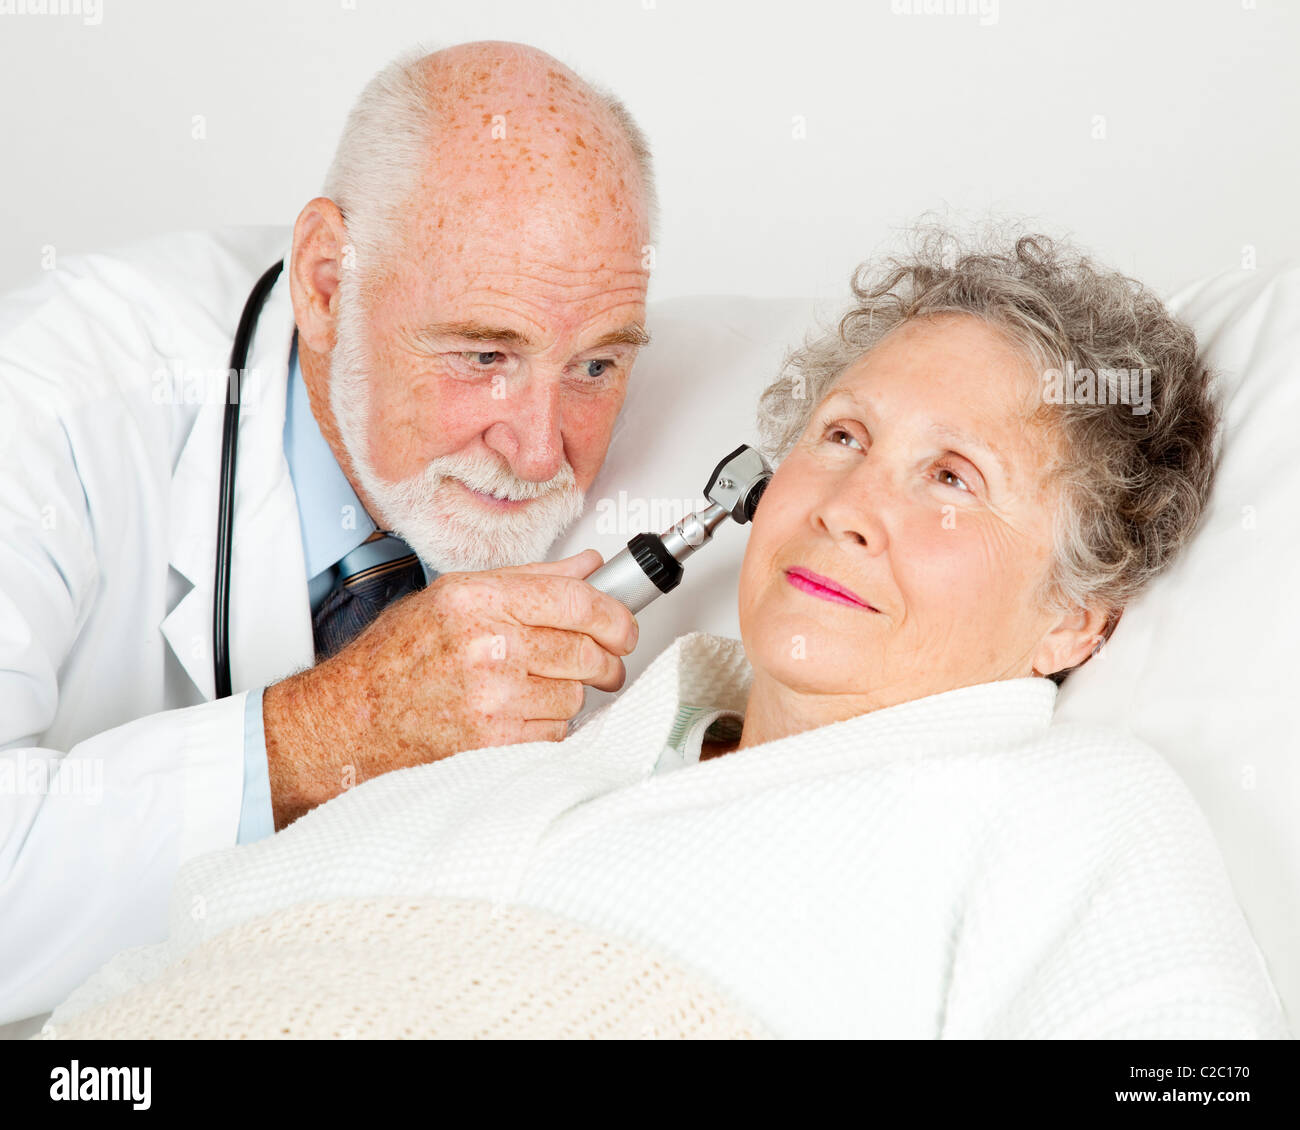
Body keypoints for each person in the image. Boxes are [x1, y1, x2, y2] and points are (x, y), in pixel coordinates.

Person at [41, 228, 1287, 1039]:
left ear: (1075, 616)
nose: (849, 507)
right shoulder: (501, 773)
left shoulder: (1068, 807)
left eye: (951, 476)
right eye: (841, 437)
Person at [0, 41, 653, 1029]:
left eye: (598, 366)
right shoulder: (51, 406)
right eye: (484, 353)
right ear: (323, 284)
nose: (536, 450)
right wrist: (332, 731)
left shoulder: (669, 443)